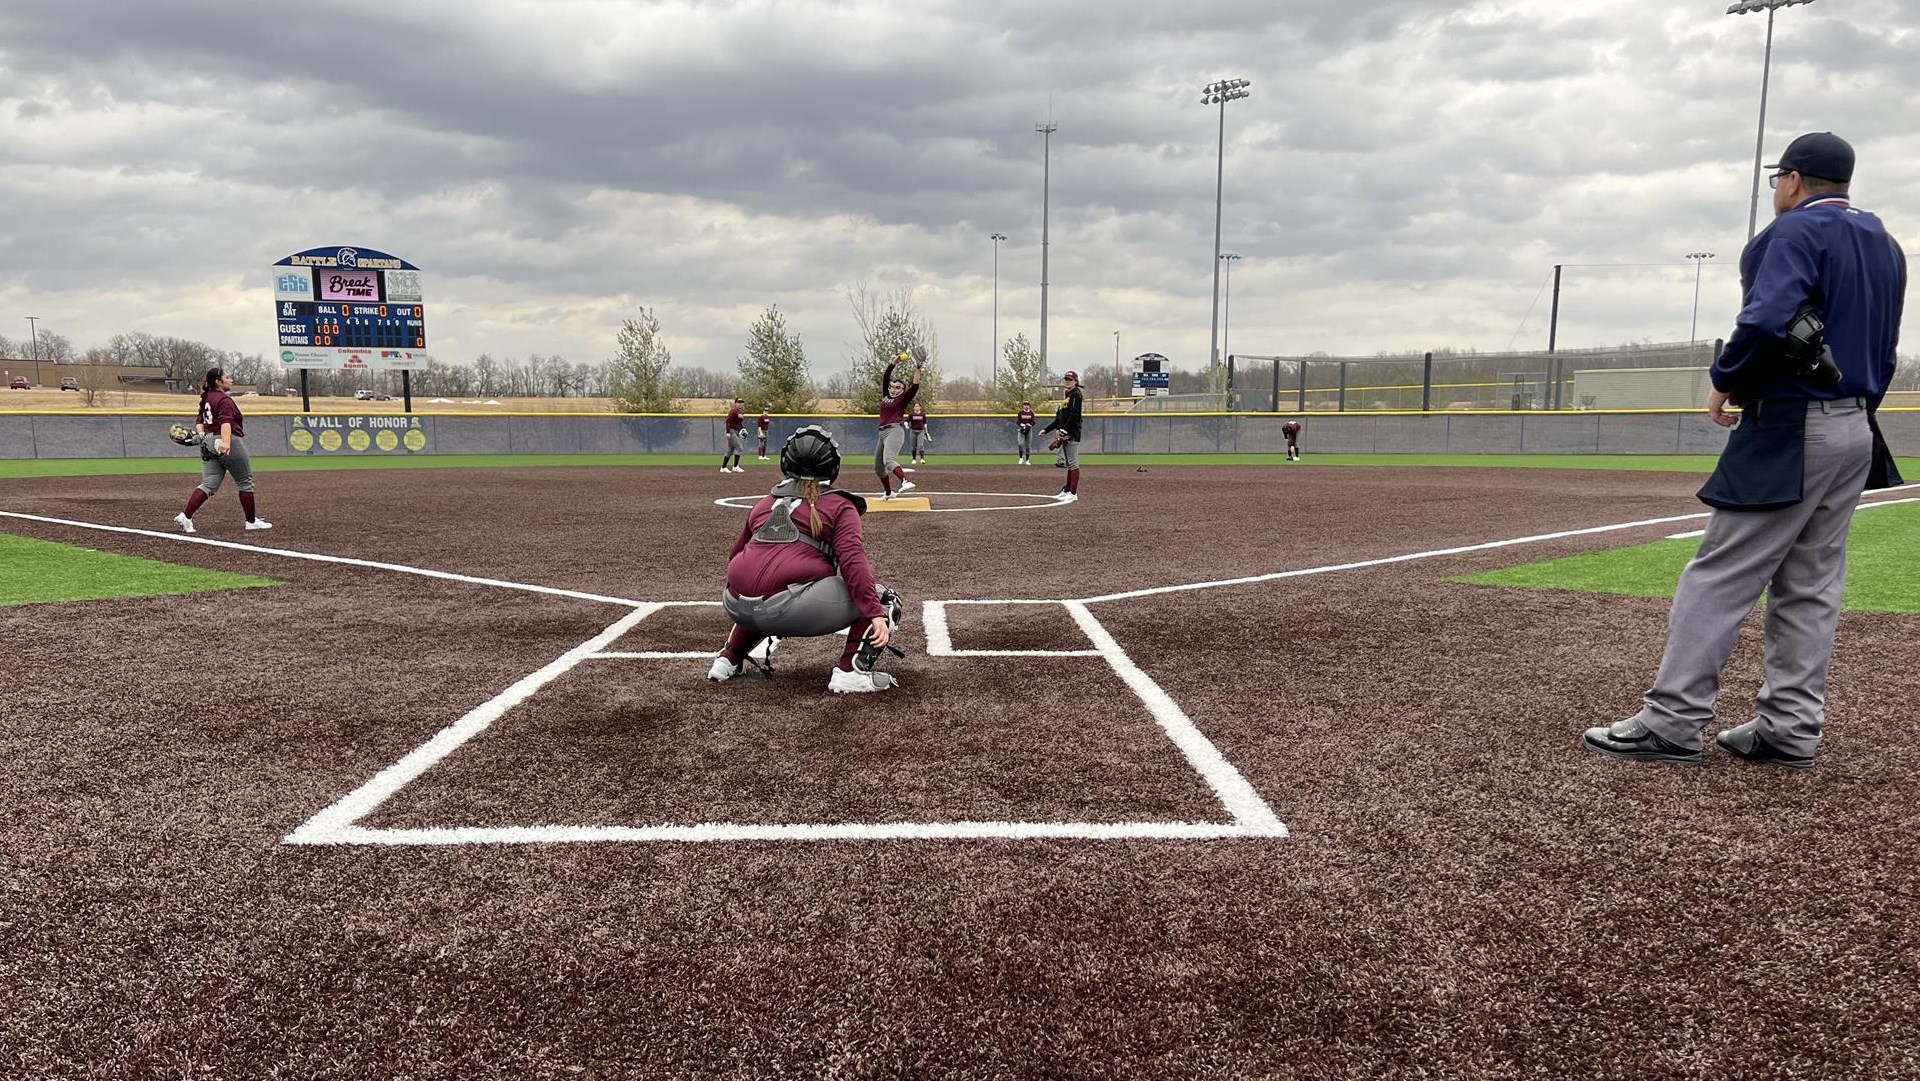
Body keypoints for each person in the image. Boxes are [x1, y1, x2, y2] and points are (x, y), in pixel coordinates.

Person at [1584, 131, 1906, 771]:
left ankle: (1672, 721)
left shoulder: (1792, 234)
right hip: (1856, 425)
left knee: (1721, 572)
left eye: (1777, 181)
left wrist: (1727, 376)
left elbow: (1763, 321)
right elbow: (1887, 346)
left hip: (1792, 424)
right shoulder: (1886, 243)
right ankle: (1790, 728)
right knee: (1811, 583)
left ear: (1791, 181)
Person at [708, 426, 906, 694]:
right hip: (787, 609)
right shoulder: (839, 505)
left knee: (758, 589)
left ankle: (728, 658)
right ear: (832, 465)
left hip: (735, 603)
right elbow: (853, 564)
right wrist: (874, 613)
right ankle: (851, 671)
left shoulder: (766, 503)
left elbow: (736, 555)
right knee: (884, 599)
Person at [173, 367, 272, 534]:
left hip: (208, 441)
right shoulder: (224, 400)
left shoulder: (206, 398)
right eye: (227, 377)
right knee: (245, 482)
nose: (231, 379)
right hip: (225, 439)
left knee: (209, 484)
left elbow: (199, 421)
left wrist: (202, 436)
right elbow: (226, 423)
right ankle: (251, 521)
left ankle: (186, 516)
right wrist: (226, 443)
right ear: (218, 381)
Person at [872, 352, 921, 499]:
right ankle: (888, 492)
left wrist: (918, 367)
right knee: (879, 468)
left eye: (898, 387)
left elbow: (915, 386)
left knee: (889, 460)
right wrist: (893, 363)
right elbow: (886, 377)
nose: (894, 389)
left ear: (902, 390)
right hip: (882, 433)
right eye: (892, 387)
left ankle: (905, 481)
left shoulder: (902, 399)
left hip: (894, 431)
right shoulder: (886, 396)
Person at [1040, 371, 1085, 502]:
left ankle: (1073, 492)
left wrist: (1064, 430)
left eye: (1070, 379)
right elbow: (1060, 417)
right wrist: (1046, 430)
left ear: (1076, 381)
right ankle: (1067, 489)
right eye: (1066, 379)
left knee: (1073, 463)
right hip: (1065, 433)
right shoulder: (1067, 395)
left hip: (1072, 434)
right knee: (1069, 464)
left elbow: (1074, 415)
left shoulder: (1076, 394)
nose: (1067, 381)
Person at [721, 397, 746, 473]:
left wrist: (743, 429)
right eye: (739, 402)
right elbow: (728, 421)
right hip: (731, 431)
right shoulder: (733, 411)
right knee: (739, 447)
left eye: (741, 402)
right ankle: (735, 466)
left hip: (736, 431)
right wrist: (728, 432)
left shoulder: (741, 412)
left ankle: (723, 467)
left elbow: (739, 423)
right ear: (735, 403)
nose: (740, 403)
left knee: (730, 450)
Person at [1015, 400, 1036, 464]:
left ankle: (1027, 460)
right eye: (1025, 404)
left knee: (1028, 445)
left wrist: (1030, 425)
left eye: (1027, 404)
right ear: (1023, 406)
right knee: (1020, 444)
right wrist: (1021, 425)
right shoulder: (1020, 413)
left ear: (1029, 406)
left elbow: (1033, 422)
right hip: (1022, 429)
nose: (1026, 406)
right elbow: (1018, 421)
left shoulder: (1031, 413)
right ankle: (1021, 458)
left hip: (1029, 430)